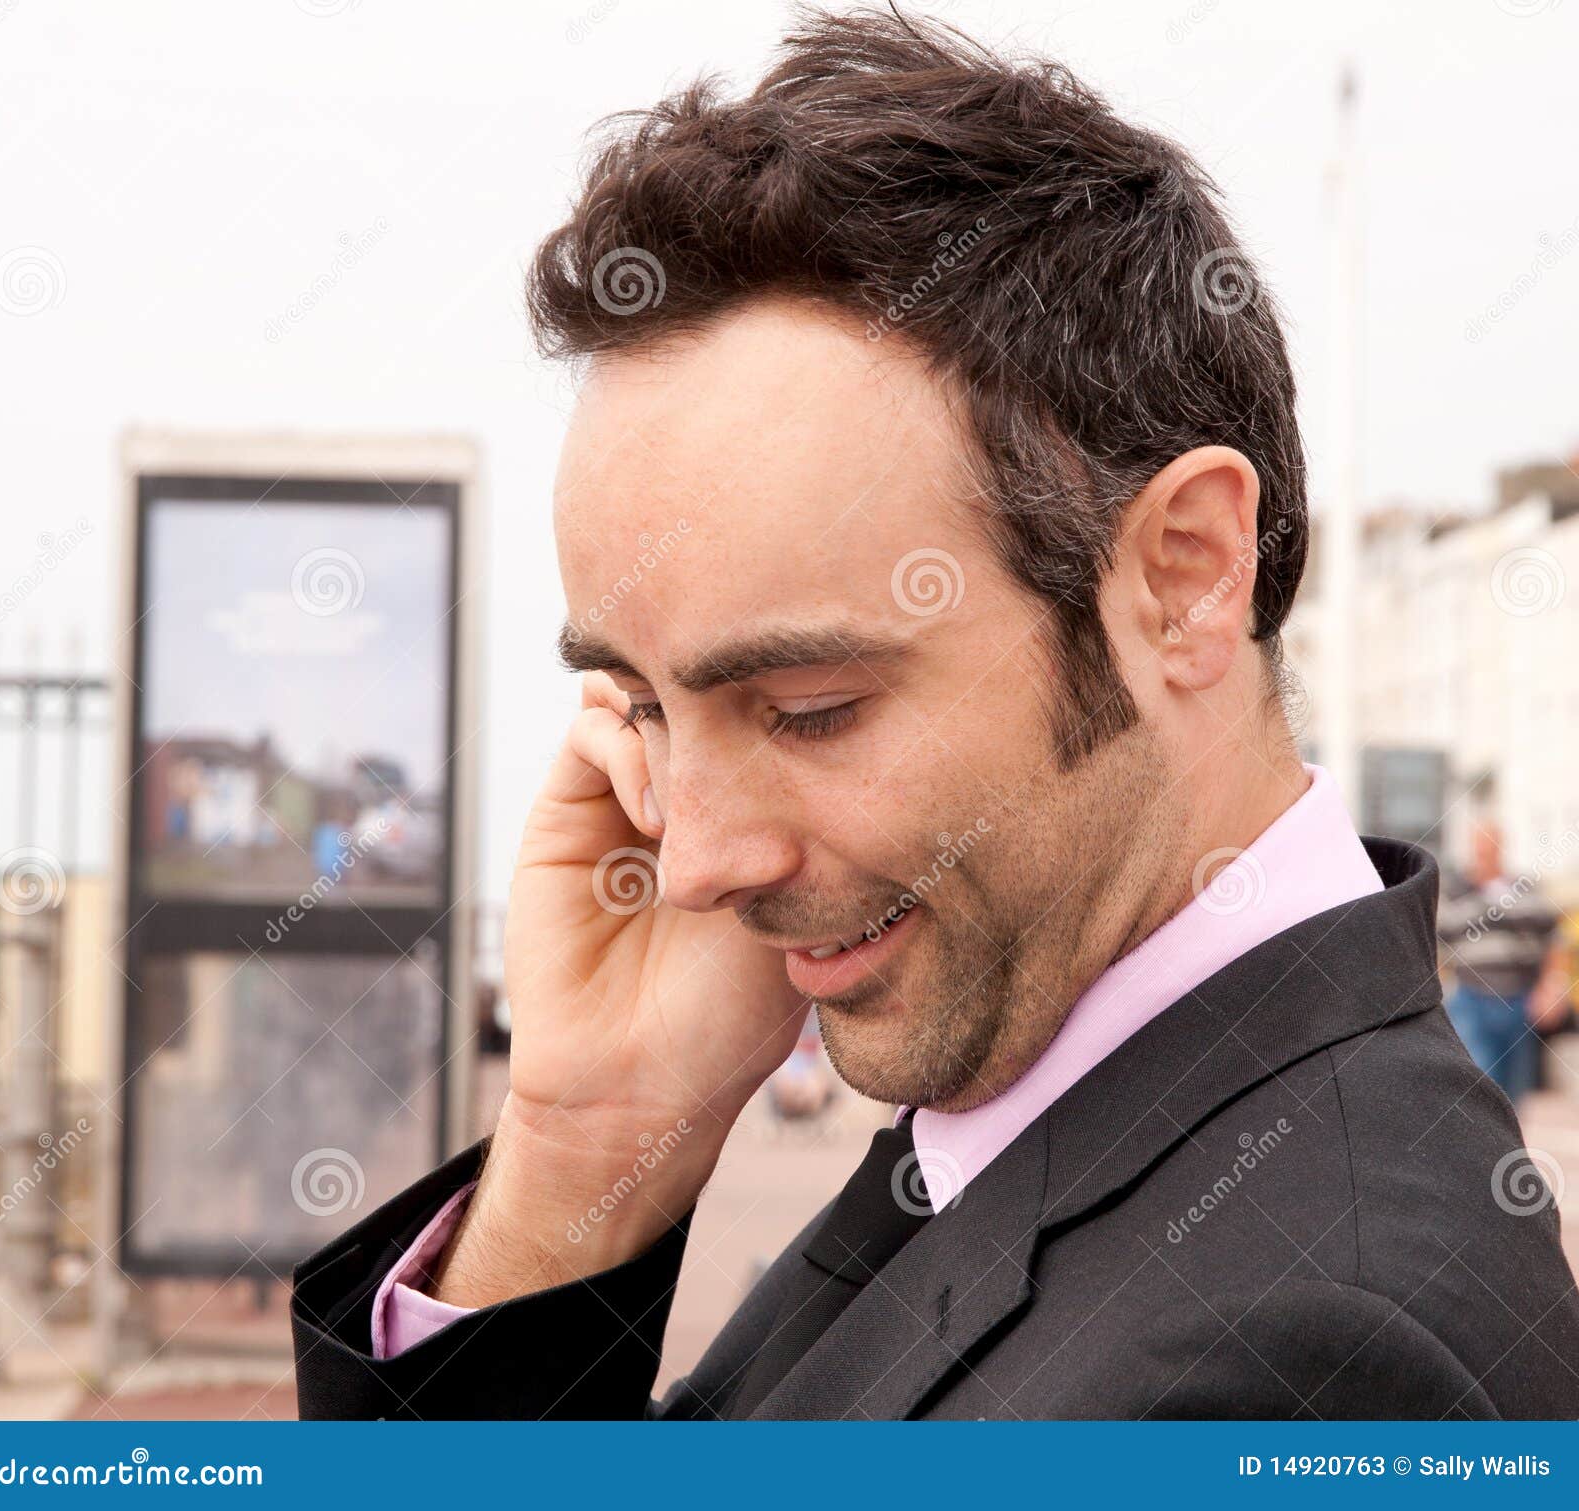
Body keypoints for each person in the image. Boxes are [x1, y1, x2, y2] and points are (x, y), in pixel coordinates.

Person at [290, 8, 1579, 1419]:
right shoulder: (1079, 1112)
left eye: (809, 705)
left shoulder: (1303, 1356)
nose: (695, 863)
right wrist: (581, 1151)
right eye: (645, 703)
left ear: (1185, 579)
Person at [1437, 819, 1567, 1108]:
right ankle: (1480, 1149)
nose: (1484, 852)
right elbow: (1437, 949)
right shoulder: (1453, 894)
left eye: (1490, 845)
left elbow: (1554, 942)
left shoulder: (1527, 891)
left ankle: (1507, 1151)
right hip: (1471, 1001)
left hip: (1519, 1001)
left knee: (1514, 1090)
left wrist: (1550, 988)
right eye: (1478, 845)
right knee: (1482, 1081)